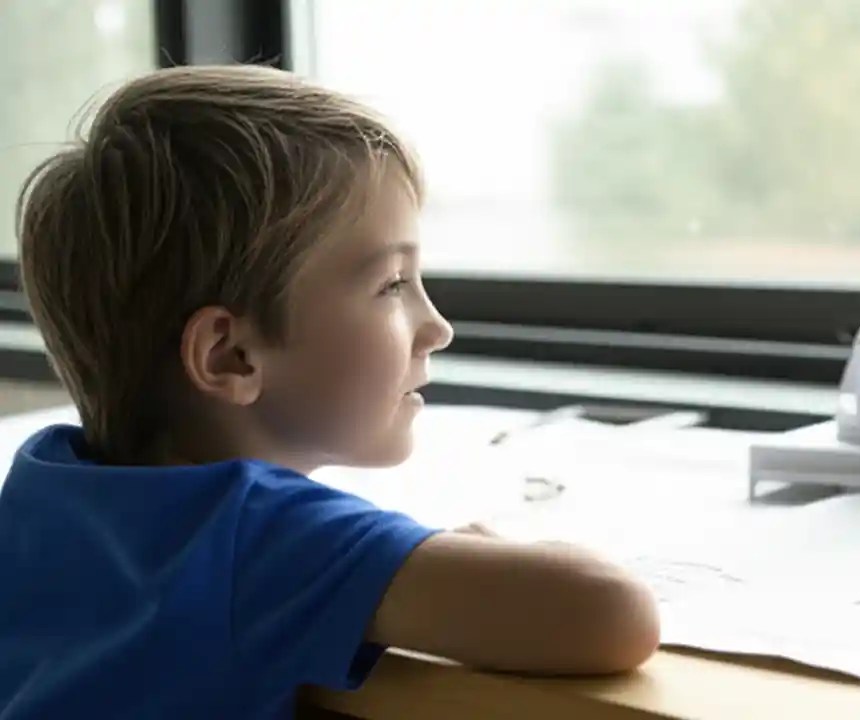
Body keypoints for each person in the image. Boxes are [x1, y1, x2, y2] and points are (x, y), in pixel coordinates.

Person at [0, 64, 659, 719]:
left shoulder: (43, 488)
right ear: (230, 355)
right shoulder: (254, 540)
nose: (437, 326)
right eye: (392, 285)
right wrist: (489, 559)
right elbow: (610, 613)